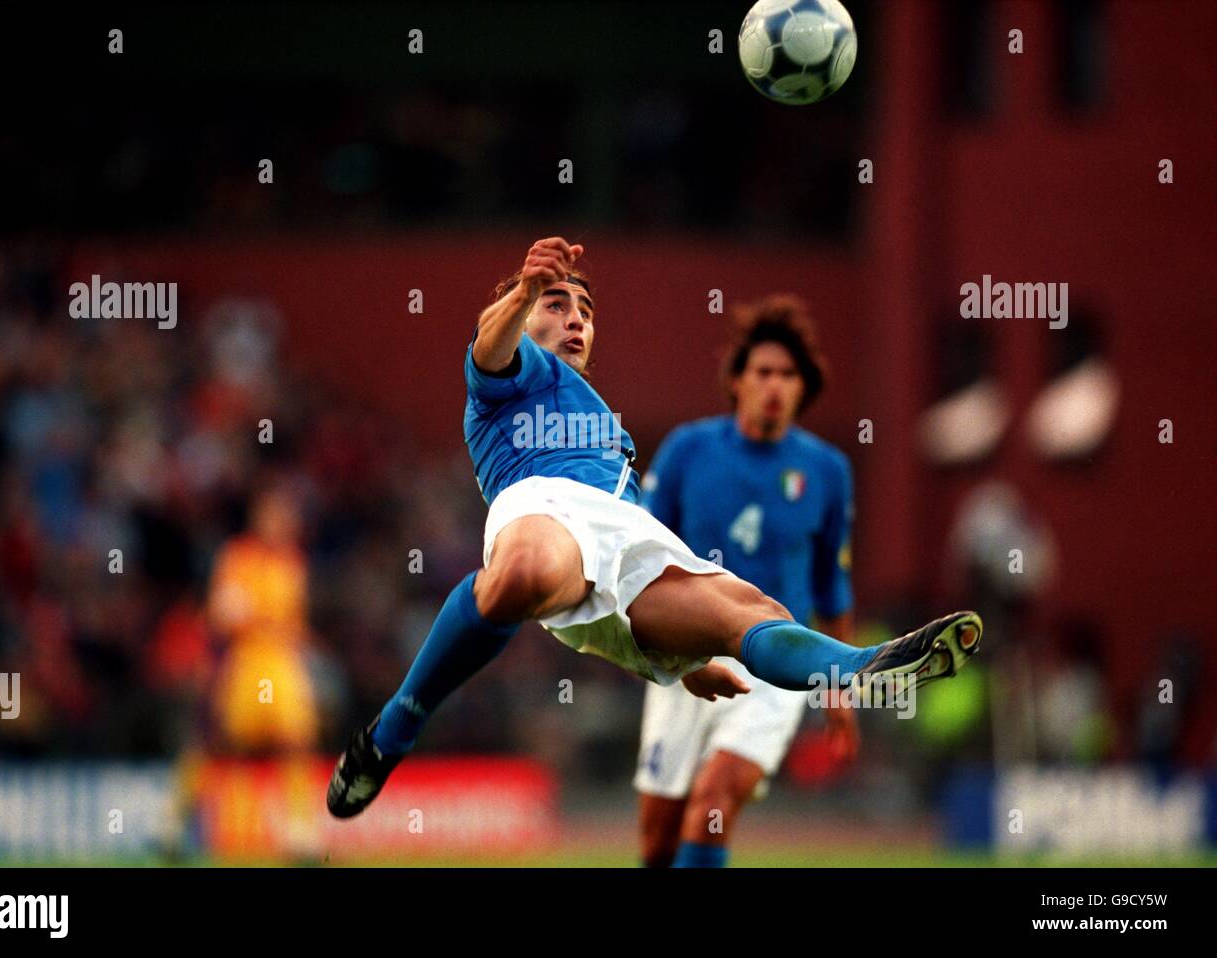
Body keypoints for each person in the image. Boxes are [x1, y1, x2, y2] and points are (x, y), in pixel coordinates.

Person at [327, 237, 982, 819]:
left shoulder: (608, 427)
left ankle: (863, 667)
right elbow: (487, 347)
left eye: (583, 310)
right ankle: (395, 728)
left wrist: (684, 658)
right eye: (556, 304)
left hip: (628, 535)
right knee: (522, 574)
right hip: (543, 508)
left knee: (751, 611)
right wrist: (525, 288)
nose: (575, 317)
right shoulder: (514, 373)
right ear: (523, 317)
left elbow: (620, 562)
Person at [634, 295, 858, 868]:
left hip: (774, 666)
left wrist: (838, 684)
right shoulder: (689, 449)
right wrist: (655, 649)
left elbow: (832, 583)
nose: (775, 386)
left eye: (788, 375)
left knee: (714, 800)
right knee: (658, 842)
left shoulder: (828, 471)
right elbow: (642, 553)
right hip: (687, 654)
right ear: (736, 381)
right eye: (763, 372)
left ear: (804, 388)